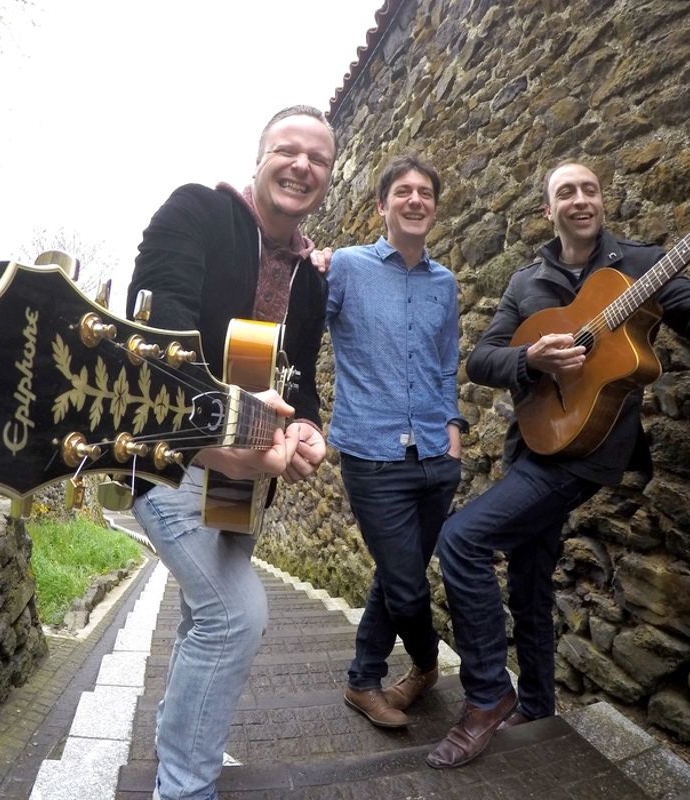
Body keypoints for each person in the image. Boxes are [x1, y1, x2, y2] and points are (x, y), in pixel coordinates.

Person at [428, 161, 690, 769]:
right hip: (534, 441)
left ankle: (487, 696)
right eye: (566, 192)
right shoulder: (526, 281)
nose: (581, 199)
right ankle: (538, 706)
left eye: (590, 189)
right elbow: (480, 360)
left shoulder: (642, 265)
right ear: (548, 210)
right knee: (529, 578)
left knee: (461, 539)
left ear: (602, 200)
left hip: (587, 451)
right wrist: (531, 359)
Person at [125, 105, 334, 800]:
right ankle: (185, 788)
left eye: (319, 158)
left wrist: (306, 431)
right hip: (171, 464)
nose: (302, 165)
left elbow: (300, 383)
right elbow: (158, 344)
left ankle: (179, 742)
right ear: (260, 157)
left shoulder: (313, 278)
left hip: (246, 487)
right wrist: (220, 442)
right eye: (288, 149)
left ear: (329, 177)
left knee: (202, 617)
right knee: (234, 615)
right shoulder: (195, 213)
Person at [324, 154, 465, 729]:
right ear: (382, 205)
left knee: (393, 572)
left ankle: (363, 679)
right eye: (403, 191)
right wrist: (306, 268)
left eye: (425, 192)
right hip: (372, 455)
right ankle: (428, 663)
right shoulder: (347, 267)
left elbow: (446, 362)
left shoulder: (444, 283)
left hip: (435, 454)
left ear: (434, 208)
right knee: (407, 586)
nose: (415, 200)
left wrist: (453, 430)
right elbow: (298, 325)